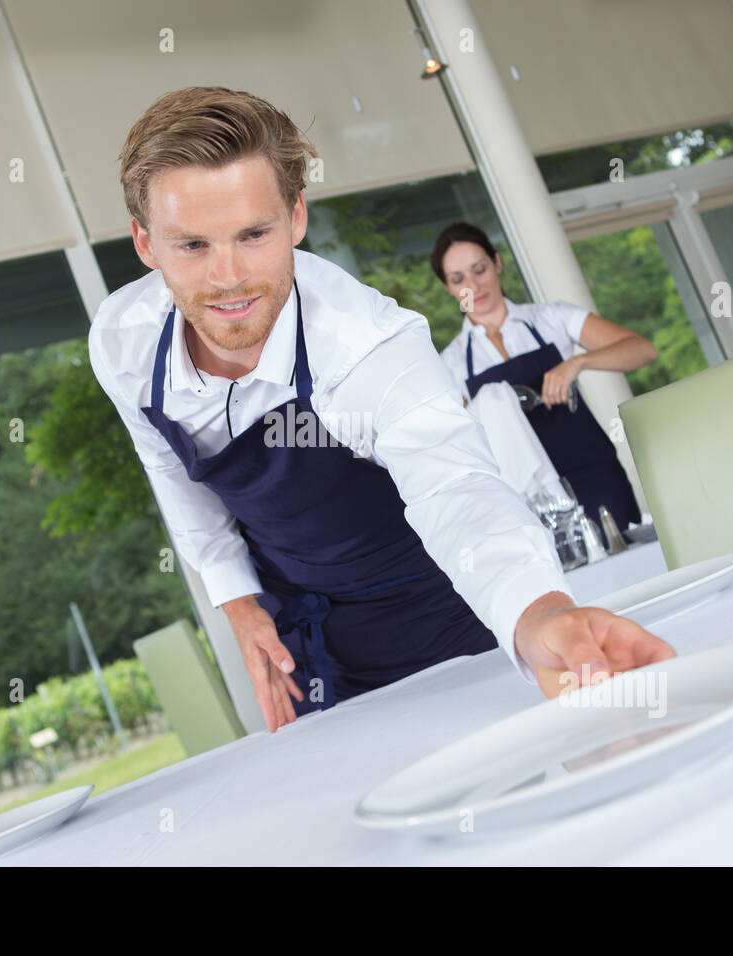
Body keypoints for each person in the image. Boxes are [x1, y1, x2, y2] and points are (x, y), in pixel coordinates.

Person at [89, 86, 674, 732]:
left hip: (441, 623)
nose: (227, 277)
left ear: (297, 219)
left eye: (254, 234)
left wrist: (539, 614)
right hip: (308, 647)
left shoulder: (367, 343)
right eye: (192, 246)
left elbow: (457, 486)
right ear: (145, 244)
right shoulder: (124, 345)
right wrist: (236, 599)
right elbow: (169, 469)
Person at [433, 222, 656, 540]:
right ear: (448, 288)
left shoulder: (552, 318)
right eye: (458, 279)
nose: (473, 286)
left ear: (497, 263)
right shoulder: (451, 364)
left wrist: (577, 362)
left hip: (593, 472)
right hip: (528, 501)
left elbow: (642, 350)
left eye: (479, 269)